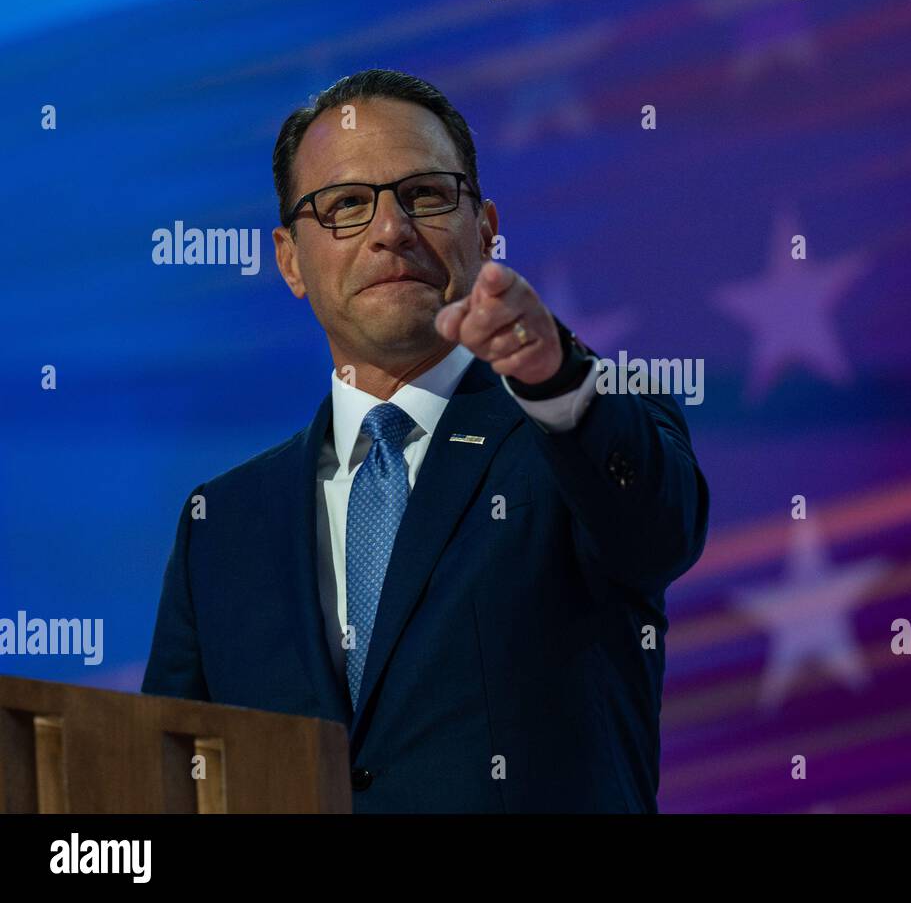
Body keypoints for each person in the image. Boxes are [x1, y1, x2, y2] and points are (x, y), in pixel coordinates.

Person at [141, 68, 709, 812]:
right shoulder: (222, 526)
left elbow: (659, 531)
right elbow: (158, 783)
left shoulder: (574, 427)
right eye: (346, 205)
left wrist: (554, 378)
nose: (391, 229)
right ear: (288, 260)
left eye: (427, 195)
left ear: (485, 228)